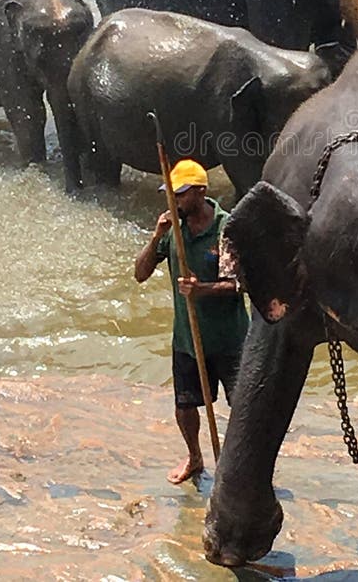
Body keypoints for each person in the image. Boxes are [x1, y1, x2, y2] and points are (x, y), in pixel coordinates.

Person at [135, 159, 249, 484]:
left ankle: (239, 466)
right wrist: (157, 236)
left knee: (243, 407)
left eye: (181, 194)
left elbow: (238, 284)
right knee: (185, 407)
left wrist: (201, 289)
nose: (175, 201)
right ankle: (195, 458)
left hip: (230, 340)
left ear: (200, 191)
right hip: (187, 339)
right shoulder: (173, 231)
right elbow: (140, 274)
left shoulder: (226, 229)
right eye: (171, 193)